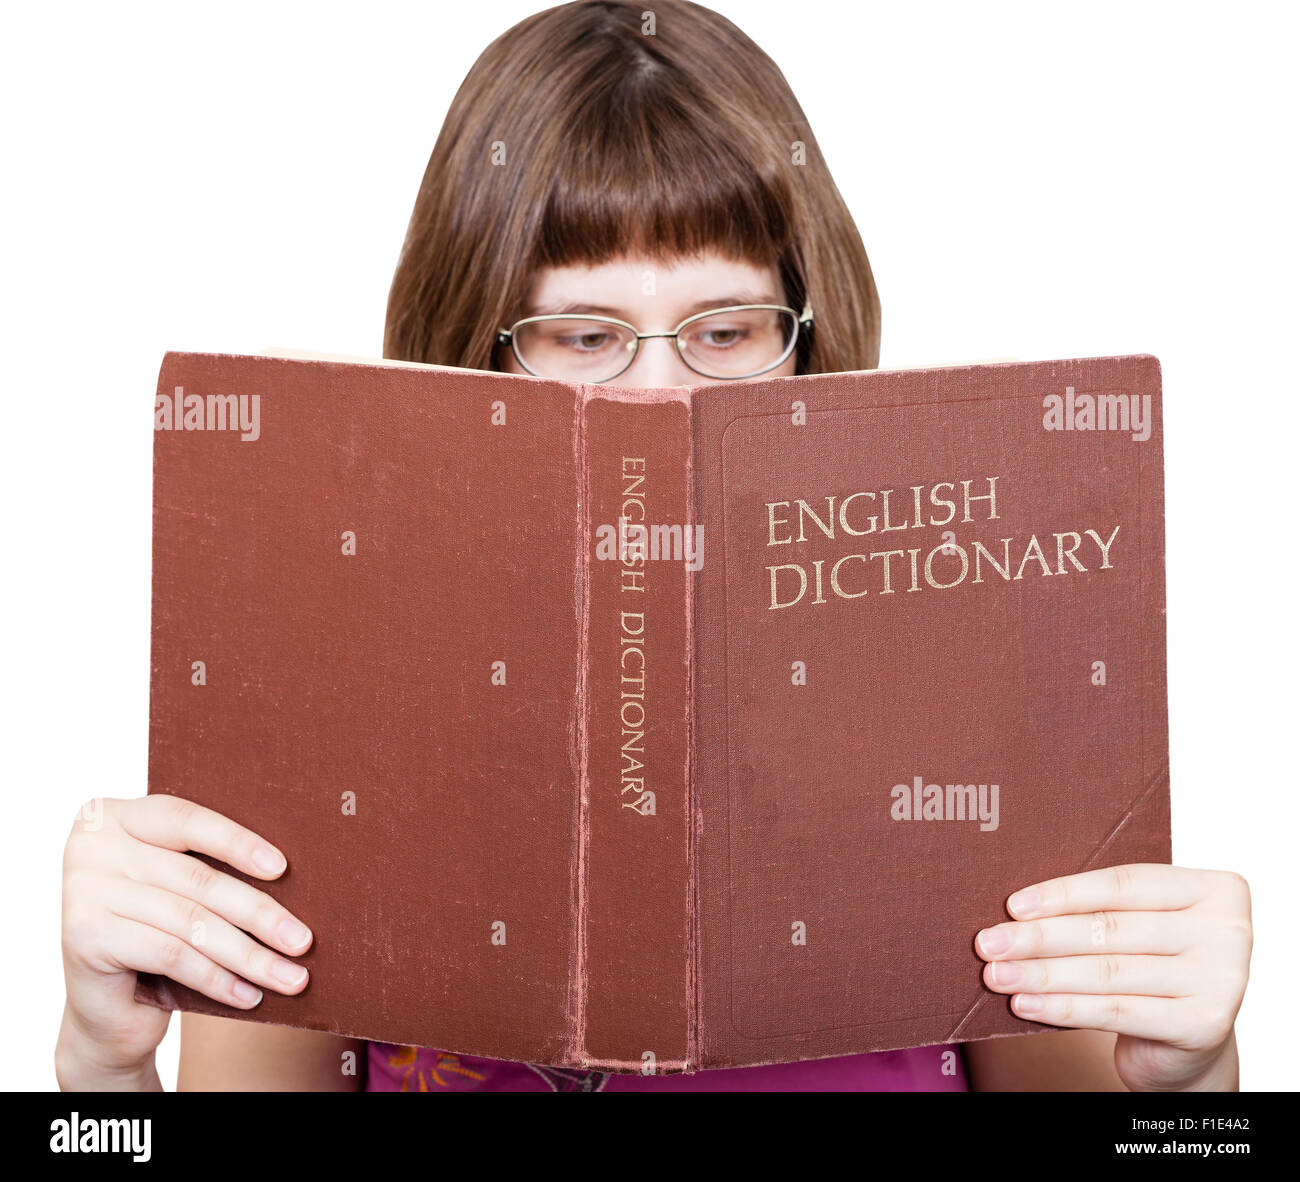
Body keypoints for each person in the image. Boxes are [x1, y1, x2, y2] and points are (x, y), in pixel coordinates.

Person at [57, 0, 1250, 1092]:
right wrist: (101, 1074)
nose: (657, 395)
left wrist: (1195, 1091)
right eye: (581, 335)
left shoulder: (972, 687)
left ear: (806, 337)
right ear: (469, 348)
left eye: (726, 329)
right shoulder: (323, 683)